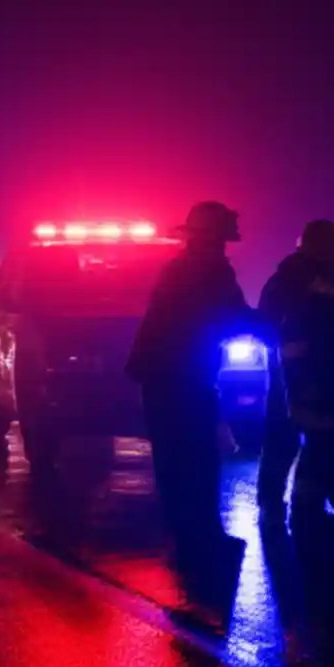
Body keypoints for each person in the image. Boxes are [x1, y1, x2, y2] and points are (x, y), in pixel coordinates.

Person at [126, 200, 250, 630]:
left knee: (174, 458)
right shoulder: (212, 271)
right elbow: (232, 315)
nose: (226, 248)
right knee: (199, 456)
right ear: (214, 238)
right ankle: (201, 539)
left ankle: (183, 533)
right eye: (223, 239)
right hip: (184, 377)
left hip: (161, 377)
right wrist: (272, 326)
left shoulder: (178, 268)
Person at [257, 219, 334, 521]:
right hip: (301, 375)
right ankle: (289, 504)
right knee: (292, 436)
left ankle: (294, 503)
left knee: (307, 439)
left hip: (322, 374)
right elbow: (269, 325)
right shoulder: (292, 280)